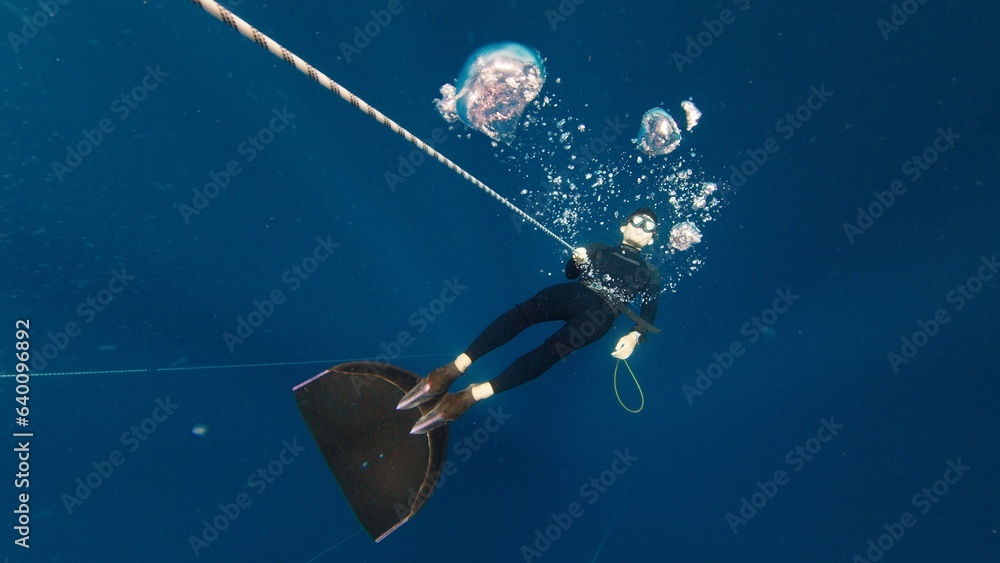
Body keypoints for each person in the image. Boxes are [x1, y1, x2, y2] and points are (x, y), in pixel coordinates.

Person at [399, 207, 662, 434]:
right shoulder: (598, 249)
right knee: (522, 315)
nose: (642, 227)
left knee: (549, 353)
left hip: (604, 313)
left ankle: (471, 396)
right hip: (578, 292)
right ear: (623, 226)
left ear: (651, 239)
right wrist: (577, 260)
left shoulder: (650, 273)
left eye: (649, 226)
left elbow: (649, 309)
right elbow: (571, 274)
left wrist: (635, 335)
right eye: (637, 220)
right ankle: (451, 370)